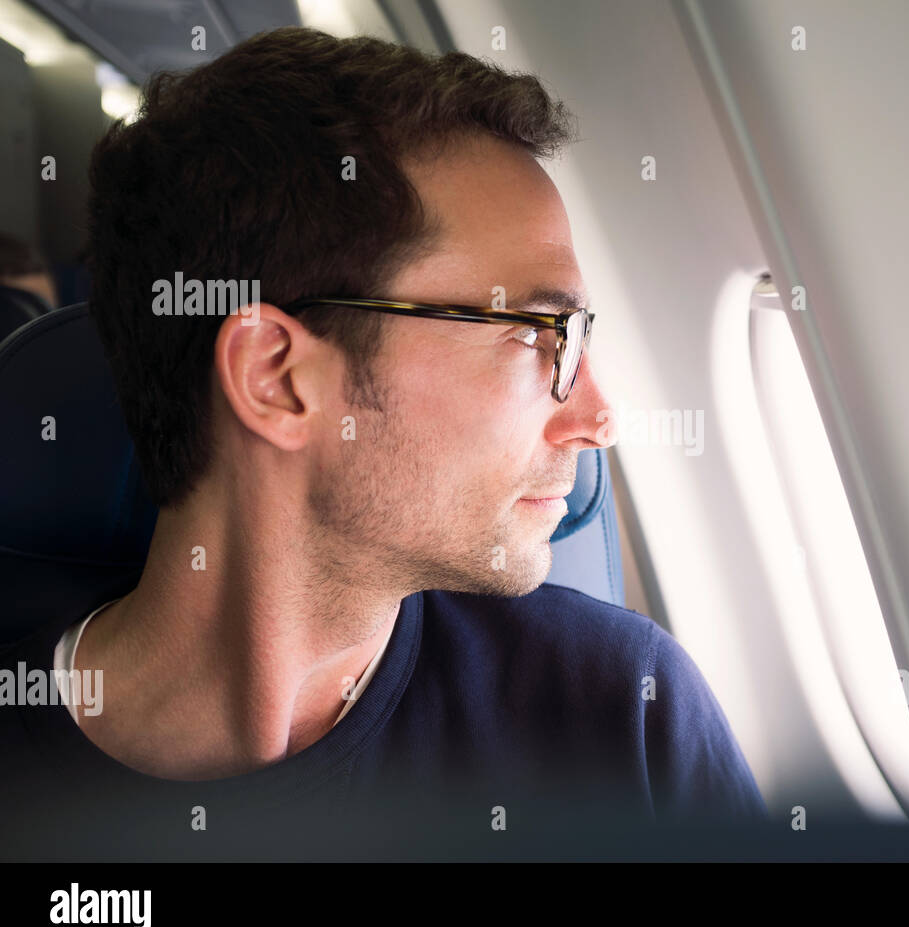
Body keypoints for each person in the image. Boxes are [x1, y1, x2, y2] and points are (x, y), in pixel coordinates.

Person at [0, 26, 765, 860]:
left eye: (578, 337)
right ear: (277, 378)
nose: (599, 416)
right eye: (534, 332)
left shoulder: (622, 711)